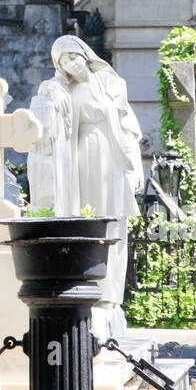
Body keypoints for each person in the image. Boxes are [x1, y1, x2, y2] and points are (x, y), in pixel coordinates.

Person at [46, 34, 144, 337]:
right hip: (82, 158)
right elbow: (45, 92)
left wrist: (136, 166)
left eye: (74, 57)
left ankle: (111, 295)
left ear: (84, 55)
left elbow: (129, 128)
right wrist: (50, 86)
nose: (72, 65)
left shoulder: (112, 84)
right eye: (64, 62)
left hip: (111, 158)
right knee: (89, 223)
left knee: (114, 221)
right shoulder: (64, 88)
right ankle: (89, 285)